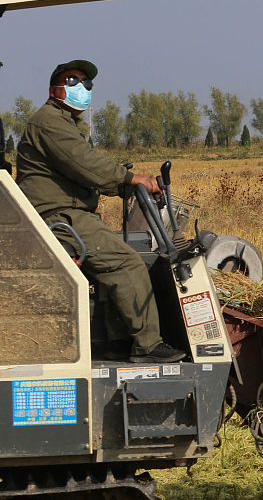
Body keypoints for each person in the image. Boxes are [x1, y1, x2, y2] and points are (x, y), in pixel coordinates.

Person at [16, 60, 186, 362]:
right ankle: (147, 346)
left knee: (114, 256)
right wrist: (129, 179)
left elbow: (83, 167)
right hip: (58, 216)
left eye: (86, 83)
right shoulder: (49, 122)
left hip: (68, 214)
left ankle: (115, 341)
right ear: (54, 88)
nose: (81, 88)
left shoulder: (64, 123)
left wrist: (125, 183)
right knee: (127, 263)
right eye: (72, 81)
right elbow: (85, 163)